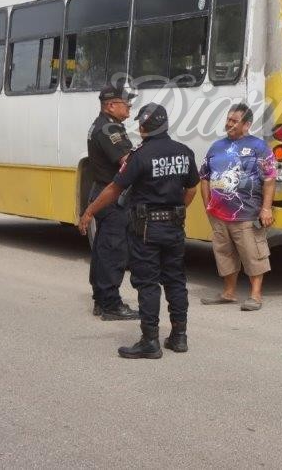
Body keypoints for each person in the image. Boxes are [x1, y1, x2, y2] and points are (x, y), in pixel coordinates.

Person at [79, 103, 200, 358]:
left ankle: (150, 341)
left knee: (147, 283)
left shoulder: (140, 155)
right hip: (175, 226)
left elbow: (114, 189)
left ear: (144, 127)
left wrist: (90, 210)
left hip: (147, 228)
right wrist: (177, 209)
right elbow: (191, 188)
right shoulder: (184, 152)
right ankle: (179, 337)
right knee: (176, 280)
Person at [198, 103, 276, 312]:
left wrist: (266, 209)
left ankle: (255, 295)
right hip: (219, 214)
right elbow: (204, 176)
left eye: (234, 121)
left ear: (247, 124)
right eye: (228, 119)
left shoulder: (259, 147)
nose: (229, 124)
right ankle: (229, 292)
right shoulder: (216, 147)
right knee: (224, 253)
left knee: (253, 253)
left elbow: (269, 179)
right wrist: (207, 203)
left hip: (247, 213)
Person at [85, 83, 139, 321]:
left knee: (103, 248)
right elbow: (127, 161)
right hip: (111, 195)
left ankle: (101, 298)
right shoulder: (109, 130)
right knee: (113, 250)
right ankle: (110, 304)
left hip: (102, 192)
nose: (129, 108)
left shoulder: (106, 125)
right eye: (125, 104)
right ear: (110, 105)